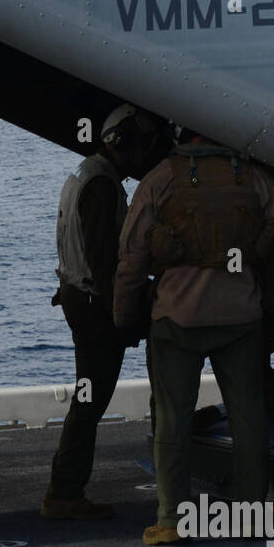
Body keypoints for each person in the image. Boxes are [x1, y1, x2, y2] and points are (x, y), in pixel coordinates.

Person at [114, 130, 274, 544]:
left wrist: (124, 317)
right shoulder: (254, 178)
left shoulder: (160, 179)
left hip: (177, 318)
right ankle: (252, 516)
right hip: (241, 316)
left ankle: (171, 520)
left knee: (173, 418)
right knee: (249, 418)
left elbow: (132, 255)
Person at [43, 104, 170, 521]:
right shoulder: (102, 185)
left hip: (78, 298)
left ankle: (65, 490)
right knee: (90, 399)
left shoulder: (86, 173)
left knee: (88, 397)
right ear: (126, 145)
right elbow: (105, 264)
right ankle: (64, 492)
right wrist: (127, 316)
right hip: (94, 305)